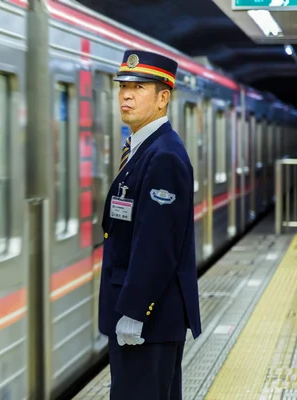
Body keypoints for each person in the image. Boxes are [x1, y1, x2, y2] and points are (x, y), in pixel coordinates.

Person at [98, 49, 202, 400]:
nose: (126, 94)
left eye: (139, 87)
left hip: (148, 323)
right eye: (123, 86)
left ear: (163, 98)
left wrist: (135, 311)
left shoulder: (164, 156)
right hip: (147, 320)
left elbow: (157, 245)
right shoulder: (145, 148)